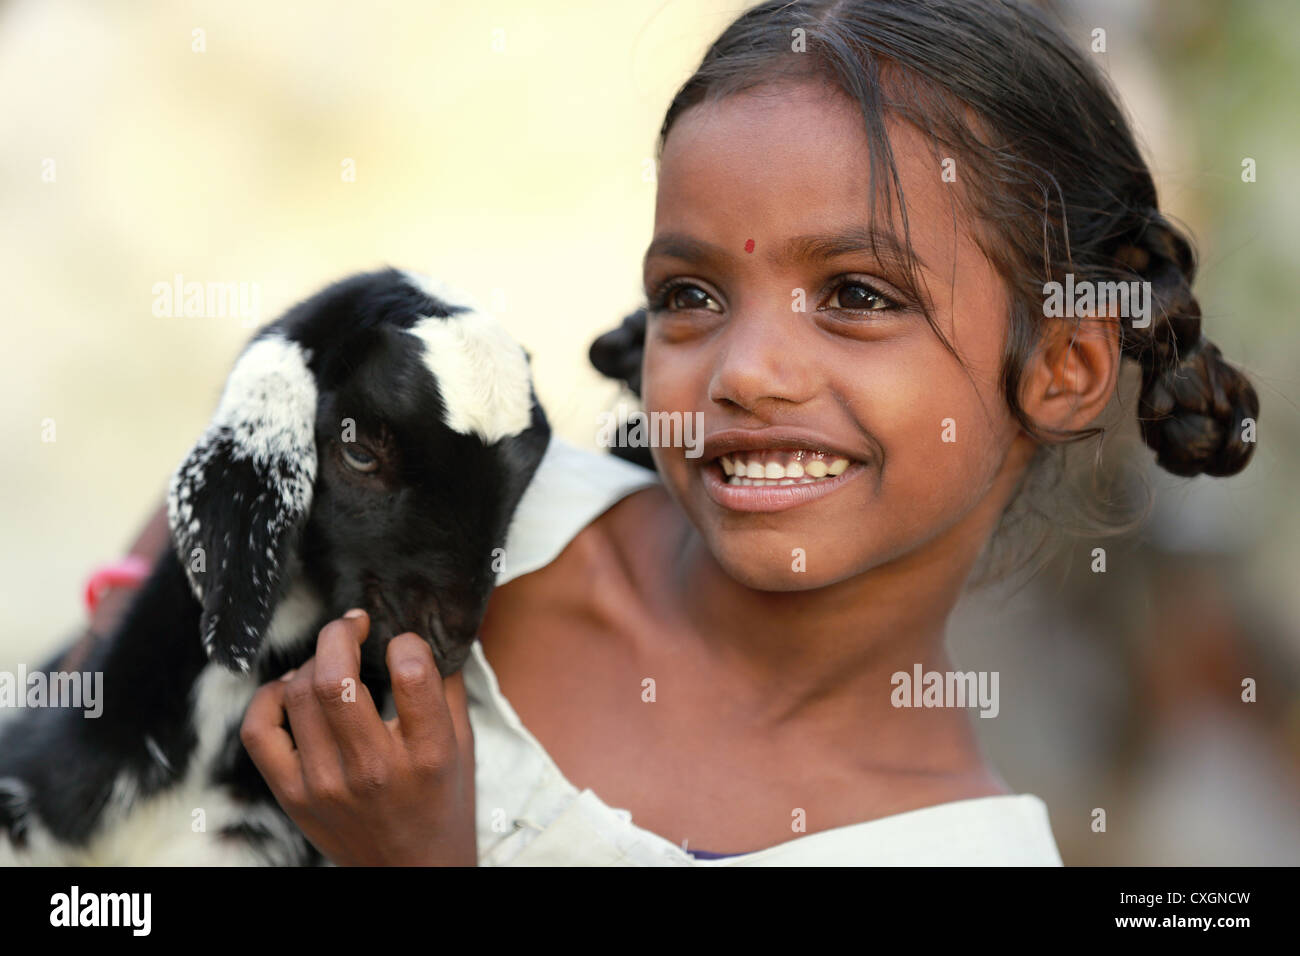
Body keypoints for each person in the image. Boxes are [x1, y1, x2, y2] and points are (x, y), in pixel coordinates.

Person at [96, 0, 1261, 865]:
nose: (745, 371)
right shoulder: (483, 517)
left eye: (858, 294)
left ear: (1060, 367)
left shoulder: (953, 853)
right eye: (692, 295)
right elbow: (188, 544)